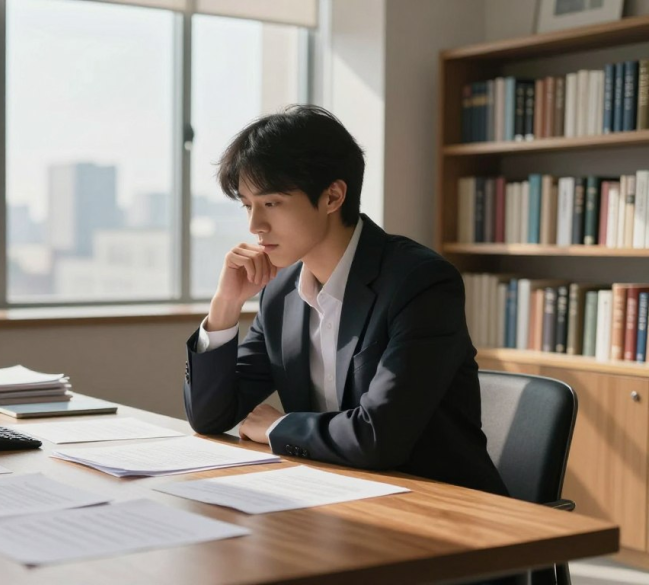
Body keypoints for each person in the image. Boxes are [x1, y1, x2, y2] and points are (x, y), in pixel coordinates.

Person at [183, 104, 508, 496]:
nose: (255, 226)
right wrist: (224, 306)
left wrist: (275, 427)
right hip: (330, 494)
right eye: (247, 206)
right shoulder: (281, 291)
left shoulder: (420, 283)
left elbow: (379, 437)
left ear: (333, 196)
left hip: (438, 504)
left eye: (271, 203)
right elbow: (210, 416)